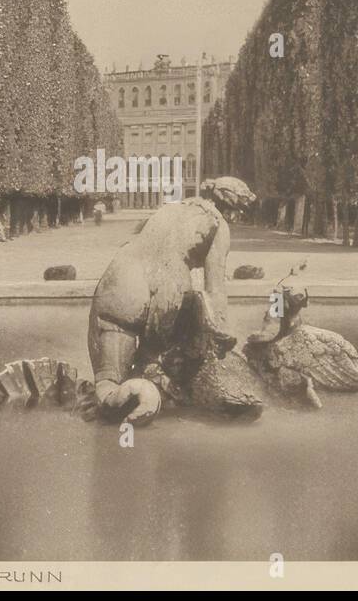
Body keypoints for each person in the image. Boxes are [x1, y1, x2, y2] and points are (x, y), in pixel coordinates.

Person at [84, 181, 254, 424]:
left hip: (119, 277)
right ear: (233, 209)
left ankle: (122, 394)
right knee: (159, 365)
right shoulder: (218, 224)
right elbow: (215, 290)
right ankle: (153, 392)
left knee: (107, 384)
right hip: (166, 284)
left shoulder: (171, 208)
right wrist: (223, 337)